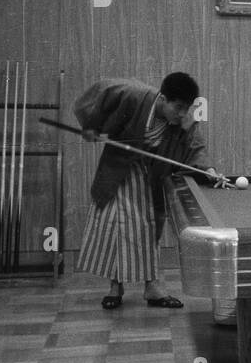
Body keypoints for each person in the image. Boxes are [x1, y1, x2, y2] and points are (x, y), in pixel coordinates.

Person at [73, 72, 225, 310]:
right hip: (119, 171)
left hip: (152, 177)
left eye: (187, 108)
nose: (182, 113)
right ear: (163, 98)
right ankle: (117, 286)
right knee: (118, 226)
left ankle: (150, 287)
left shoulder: (183, 121)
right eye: (178, 107)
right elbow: (101, 92)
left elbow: (196, 147)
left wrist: (210, 170)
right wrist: (91, 126)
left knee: (148, 228)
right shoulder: (132, 95)